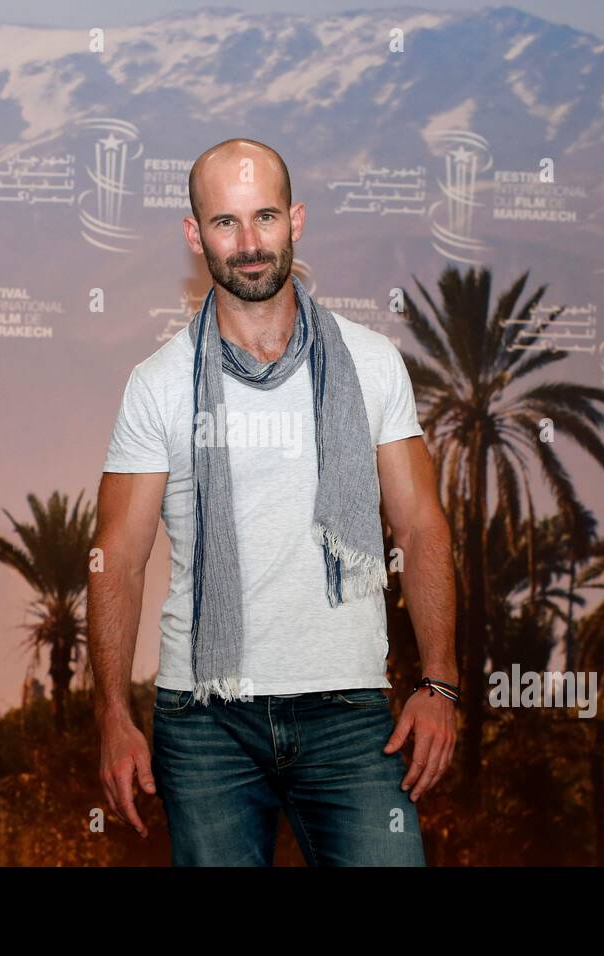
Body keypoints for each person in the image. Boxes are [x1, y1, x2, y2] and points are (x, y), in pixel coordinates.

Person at [89, 137, 457, 866]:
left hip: (350, 714)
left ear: (297, 220)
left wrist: (440, 682)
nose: (250, 244)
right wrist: (112, 716)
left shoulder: (370, 364)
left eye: (265, 218)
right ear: (195, 236)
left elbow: (421, 527)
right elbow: (117, 561)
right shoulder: (158, 385)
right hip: (203, 724)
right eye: (226, 223)